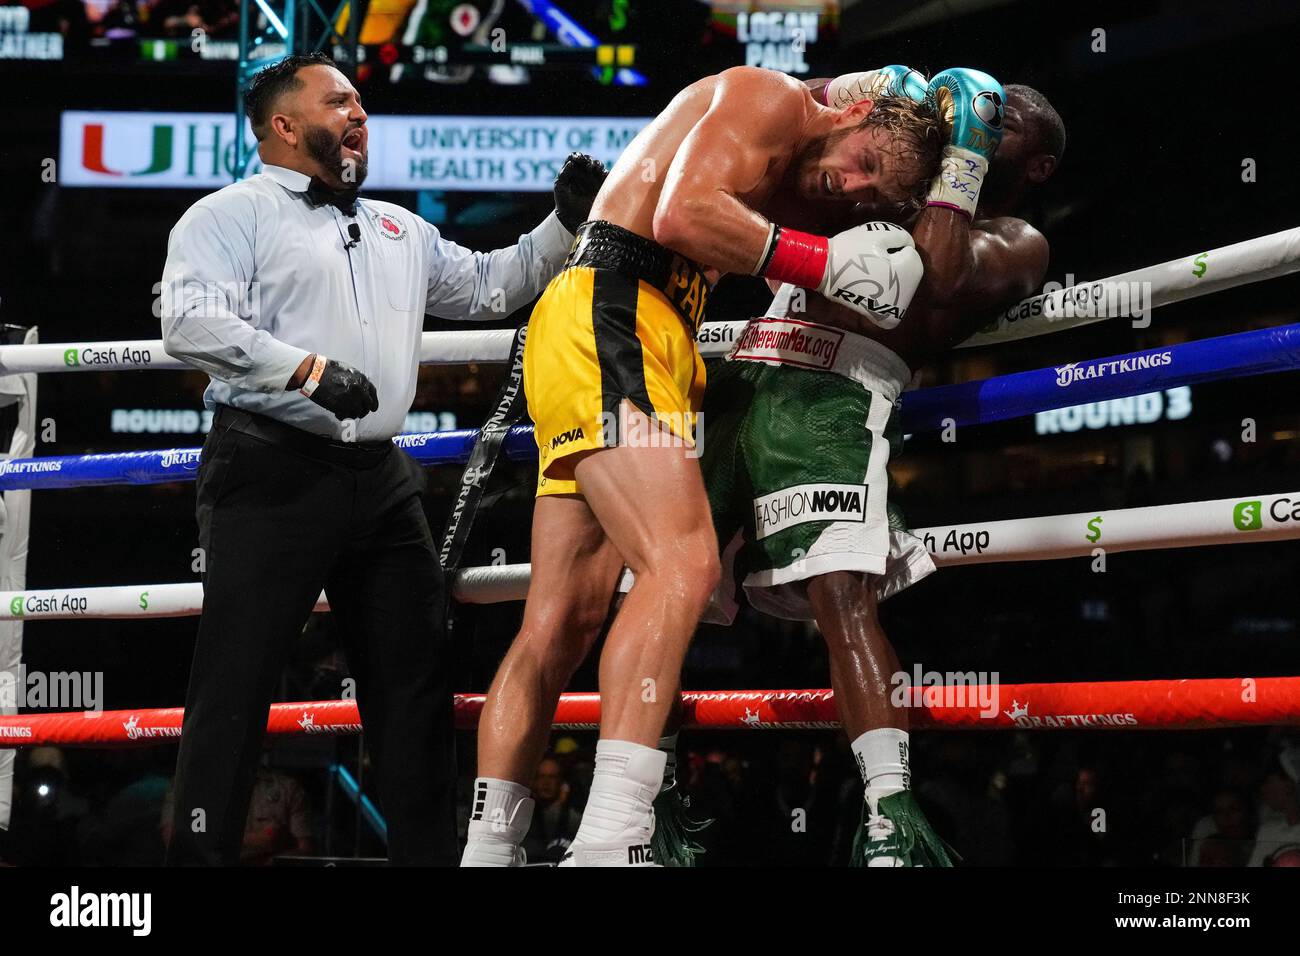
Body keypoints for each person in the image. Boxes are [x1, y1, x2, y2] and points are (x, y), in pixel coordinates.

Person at [463, 64, 945, 866]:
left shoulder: (786, 167)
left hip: (618, 334)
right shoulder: (772, 96)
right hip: (617, 316)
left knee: (561, 623)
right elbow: (686, 214)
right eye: (863, 158)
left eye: (870, 189)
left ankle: (489, 849)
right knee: (681, 564)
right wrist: (823, 264)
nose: (851, 183)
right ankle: (612, 838)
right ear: (853, 109)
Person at [160, 52, 603, 866]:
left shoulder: (399, 226)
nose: (359, 112)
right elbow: (188, 323)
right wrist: (307, 370)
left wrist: (564, 224)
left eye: (361, 101)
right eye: (338, 101)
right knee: (235, 686)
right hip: (269, 465)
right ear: (285, 127)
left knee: (414, 686)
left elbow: (489, 287)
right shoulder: (230, 214)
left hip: (381, 480)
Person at [697, 67, 1064, 865]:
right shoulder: (887, 180)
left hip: (835, 396)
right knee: (657, 582)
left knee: (841, 591)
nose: (985, 122)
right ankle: (639, 814)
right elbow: (784, 160)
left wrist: (964, 156)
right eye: (984, 114)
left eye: (1005, 124)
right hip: (743, 374)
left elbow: (934, 277)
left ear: (1036, 166)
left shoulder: (1020, 243)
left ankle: (892, 819)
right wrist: (840, 89)